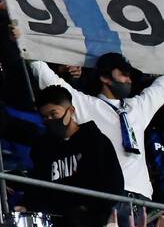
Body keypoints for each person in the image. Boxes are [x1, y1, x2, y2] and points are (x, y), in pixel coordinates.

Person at [29, 49, 164, 202]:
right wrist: (26, 45)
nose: (129, 80)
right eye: (124, 74)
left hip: (142, 197)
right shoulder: (87, 105)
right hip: (107, 195)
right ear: (104, 77)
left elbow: (161, 88)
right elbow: (48, 78)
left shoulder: (138, 107)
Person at [25, 85, 125, 224]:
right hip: (58, 223)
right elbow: (38, 187)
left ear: (71, 111)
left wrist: (88, 209)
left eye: (54, 114)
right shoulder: (42, 148)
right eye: (45, 117)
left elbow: (114, 186)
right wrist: (27, 206)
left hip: (93, 224)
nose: (49, 120)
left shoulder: (95, 141)